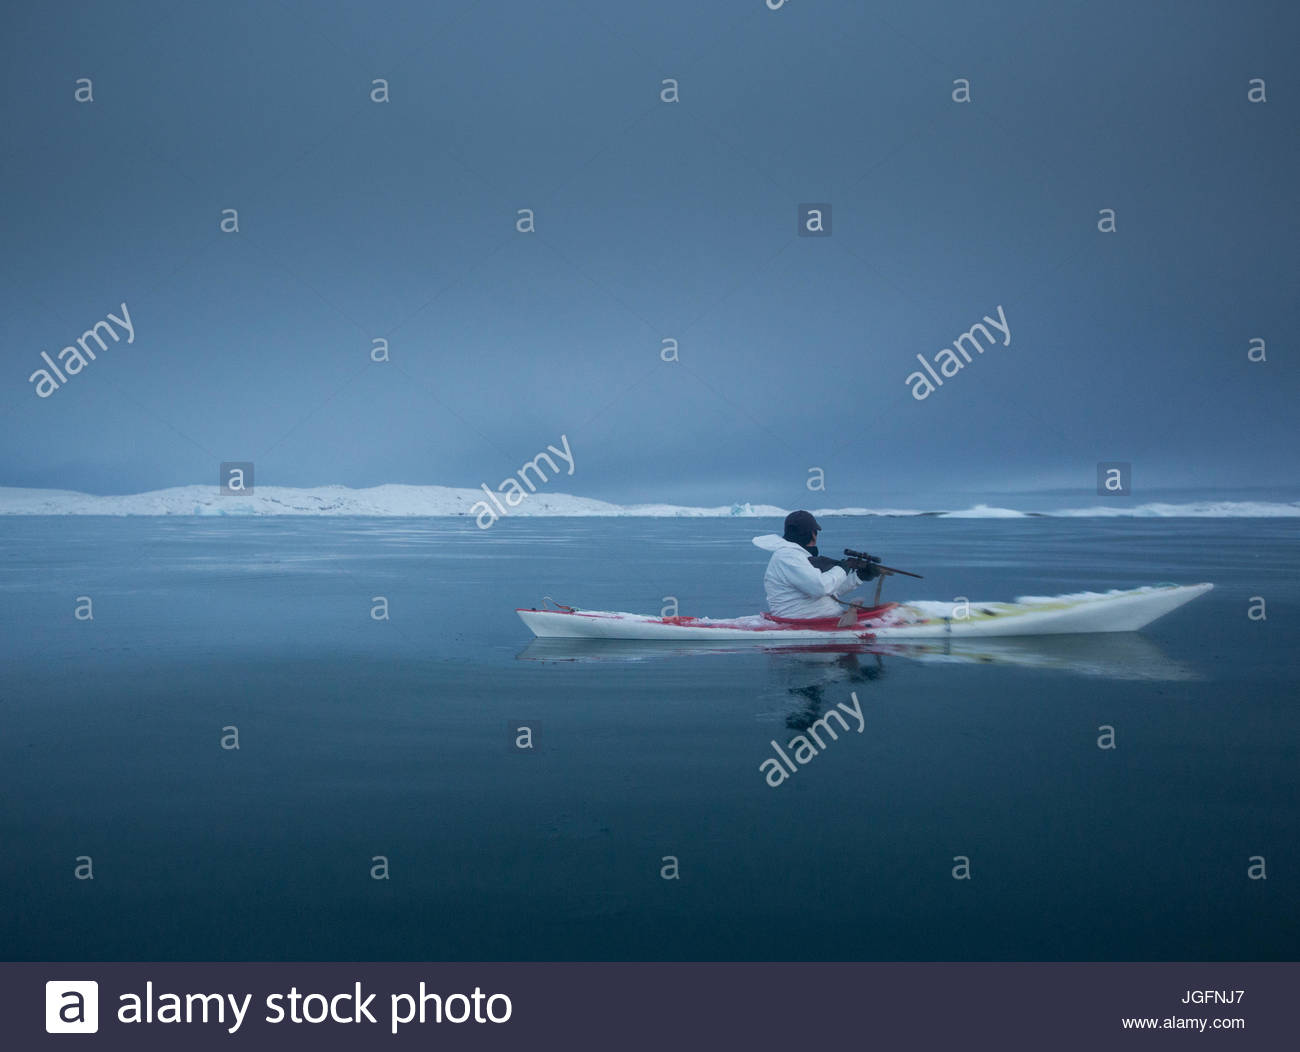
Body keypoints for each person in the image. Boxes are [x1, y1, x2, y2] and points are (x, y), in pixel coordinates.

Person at [751, 510, 880, 619]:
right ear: (812, 534)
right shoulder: (789, 556)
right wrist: (842, 568)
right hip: (801, 621)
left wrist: (857, 577)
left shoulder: (796, 555)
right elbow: (820, 588)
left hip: (818, 618)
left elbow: (830, 591)